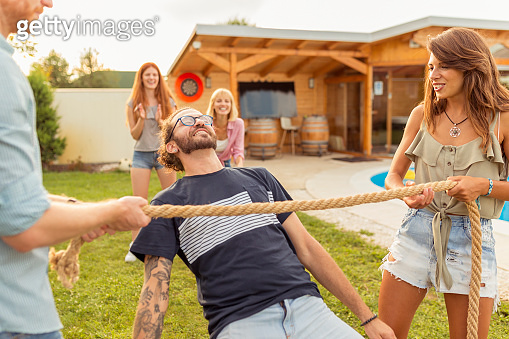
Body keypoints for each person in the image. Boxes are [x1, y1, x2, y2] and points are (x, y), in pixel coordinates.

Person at [130, 107, 396, 339]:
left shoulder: (259, 178)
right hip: (240, 321)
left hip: (308, 308)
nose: (199, 121)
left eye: (202, 118)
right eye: (186, 121)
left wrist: (367, 318)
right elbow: (155, 289)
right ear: (171, 147)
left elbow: (307, 248)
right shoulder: (167, 204)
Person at [0, 1, 151, 338]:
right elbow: (23, 226)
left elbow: (7, 197)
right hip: (15, 319)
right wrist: (110, 211)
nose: (48, 2)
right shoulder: (4, 78)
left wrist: (76, 209)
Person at [378, 27, 509, 339]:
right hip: (416, 231)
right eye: (431, 67)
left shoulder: (503, 118)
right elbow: (393, 177)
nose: (433, 75)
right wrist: (405, 195)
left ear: (470, 66)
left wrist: (483, 186)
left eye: (443, 66)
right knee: (386, 335)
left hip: (472, 239)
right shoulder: (421, 115)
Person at [124, 62, 178, 262]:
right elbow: (135, 135)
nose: (151, 78)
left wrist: (160, 121)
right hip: (141, 155)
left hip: (163, 155)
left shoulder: (168, 102)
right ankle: (134, 246)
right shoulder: (132, 103)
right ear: (141, 78)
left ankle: (178, 241)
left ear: (159, 78)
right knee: (139, 202)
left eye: (154, 75)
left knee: (173, 198)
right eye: (147, 75)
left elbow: (172, 132)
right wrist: (141, 118)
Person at [205, 88, 245, 167]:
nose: (223, 104)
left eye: (227, 101)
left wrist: (240, 168)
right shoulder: (205, 123)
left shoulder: (238, 124)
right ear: (213, 105)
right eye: (219, 101)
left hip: (225, 164)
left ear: (231, 105)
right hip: (206, 165)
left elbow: (238, 151)